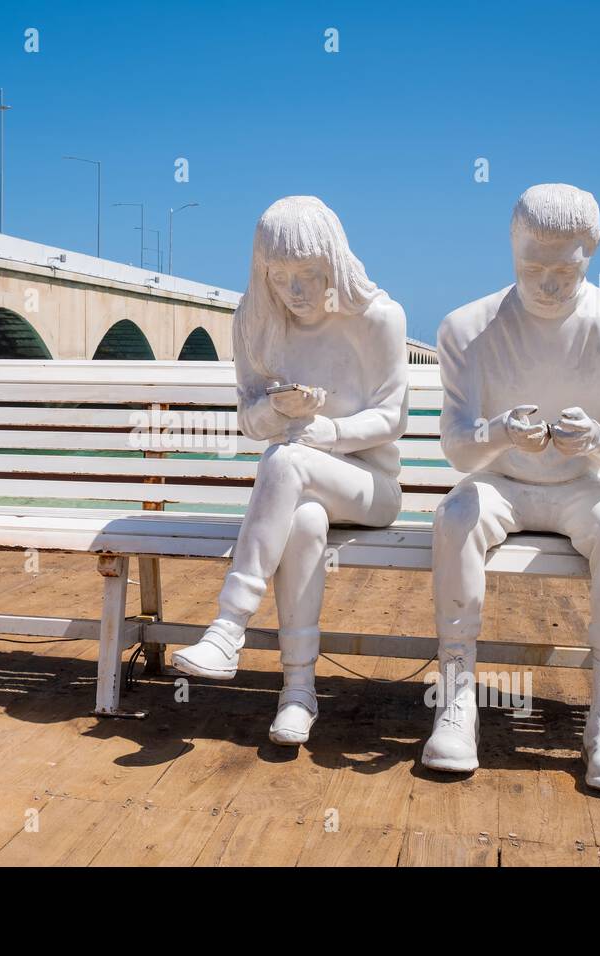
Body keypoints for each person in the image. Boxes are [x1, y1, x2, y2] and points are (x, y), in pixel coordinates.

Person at [426, 183, 600, 793]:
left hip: (583, 485)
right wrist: (500, 432)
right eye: (533, 268)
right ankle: (455, 698)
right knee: (456, 518)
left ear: (595, 249)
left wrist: (599, 440)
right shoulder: (466, 329)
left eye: (565, 270)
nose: (549, 285)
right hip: (502, 481)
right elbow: (457, 450)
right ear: (511, 246)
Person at [171, 196, 408, 746]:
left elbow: (393, 417)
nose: (295, 292)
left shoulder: (378, 318)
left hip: (371, 487)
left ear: (335, 262)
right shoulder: (256, 323)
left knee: (287, 458)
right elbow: (251, 422)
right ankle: (297, 693)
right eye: (280, 277)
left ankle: (229, 626)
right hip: (297, 490)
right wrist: (279, 408)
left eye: (308, 274)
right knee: (302, 525)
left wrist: (330, 432)